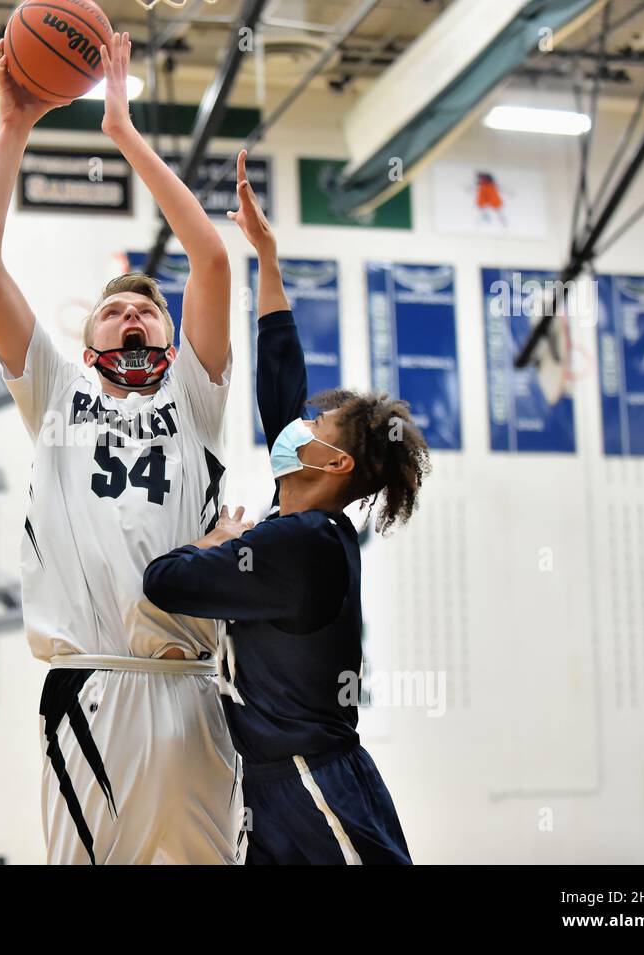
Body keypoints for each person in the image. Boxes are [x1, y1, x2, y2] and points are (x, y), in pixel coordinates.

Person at [0, 33, 239, 864]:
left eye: (147, 310)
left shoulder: (195, 397)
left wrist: (122, 129)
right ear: (84, 339)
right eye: (114, 310)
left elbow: (212, 256)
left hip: (193, 688)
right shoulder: (55, 391)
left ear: (170, 332)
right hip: (88, 685)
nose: (132, 315)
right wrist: (14, 126)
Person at [142, 150, 430, 865]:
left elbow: (164, 581)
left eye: (314, 426)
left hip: (313, 784)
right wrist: (267, 259)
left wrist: (214, 541)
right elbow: (279, 378)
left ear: (332, 463)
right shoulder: (306, 519)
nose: (295, 426)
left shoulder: (301, 543)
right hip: (274, 784)